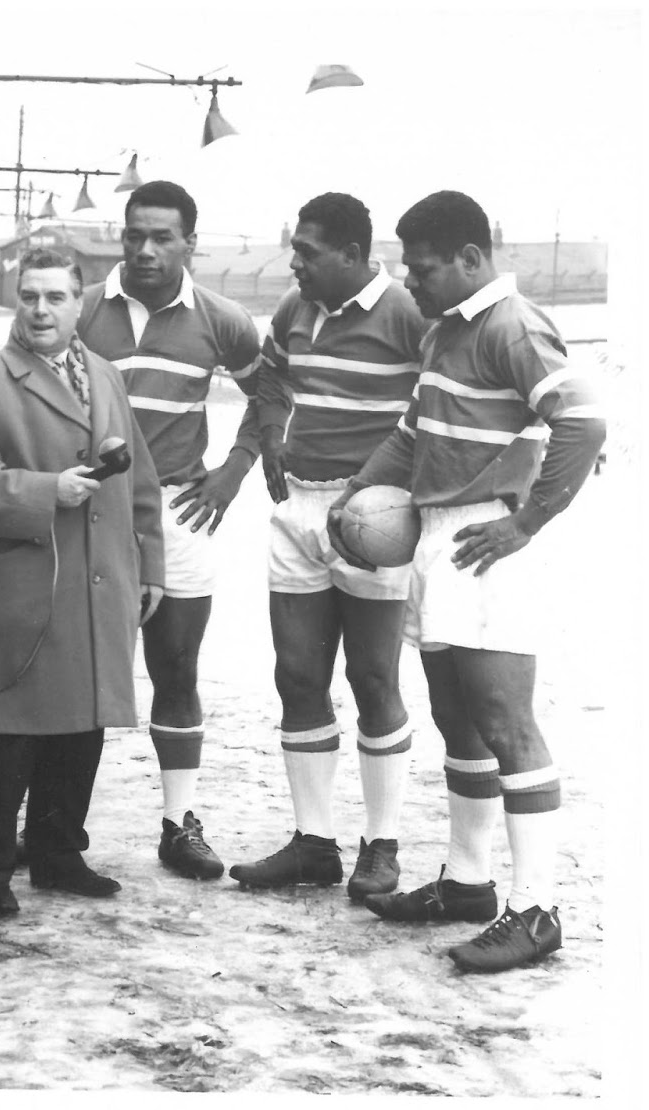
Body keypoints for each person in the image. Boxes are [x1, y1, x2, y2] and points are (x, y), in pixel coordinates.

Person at [331, 191, 604, 972]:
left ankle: (537, 909)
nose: (409, 281)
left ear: (471, 260)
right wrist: (358, 492)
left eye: (421, 269)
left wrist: (527, 523)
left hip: (492, 539)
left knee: (505, 720)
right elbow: (414, 431)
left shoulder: (513, 325)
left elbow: (584, 421)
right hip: (438, 536)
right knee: (457, 717)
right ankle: (469, 884)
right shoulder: (445, 327)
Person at [0, 247, 164, 918]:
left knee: (82, 720)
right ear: (16, 301)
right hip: (27, 576)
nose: (40, 310)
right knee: (13, 728)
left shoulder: (105, 377)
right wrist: (43, 489)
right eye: (29, 296)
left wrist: (148, 567)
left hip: (102, 575)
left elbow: (140, 478)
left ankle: (60, 853)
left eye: (55, 297)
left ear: (79, 303)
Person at [228, 194, 427, 899]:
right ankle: (315, 843)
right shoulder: (294, 309)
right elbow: (271, 376)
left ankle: (382, 843)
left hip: (371, 511)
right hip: (298, 508)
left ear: (351, 254)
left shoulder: (407, 312)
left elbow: (438, 397)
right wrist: (274, 434)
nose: (296, 263)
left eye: (308, 252)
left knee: (374, 680)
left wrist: (398, 488)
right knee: (297, 675)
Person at [75, 180, 261, 880]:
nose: (146, 250)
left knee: (175, 667)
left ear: (190, 243)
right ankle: (56, 825)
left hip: (180, 510)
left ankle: (179, 824)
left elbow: (271, 393)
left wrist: (234, 469)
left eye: (162, 237)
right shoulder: (83, 308)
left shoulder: (222, 319)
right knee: (79, 667)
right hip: (92, 509)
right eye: (134, 235)